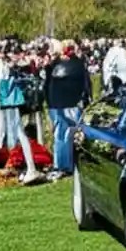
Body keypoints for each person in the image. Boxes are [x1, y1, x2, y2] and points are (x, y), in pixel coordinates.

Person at [44, 41, 90, 178]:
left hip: (60, 104)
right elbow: (86, 84)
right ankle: (70, 163)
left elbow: (47, 85)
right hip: (70, 103)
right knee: (72, 135)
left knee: (62, 135)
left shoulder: (55, 67)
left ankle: (63, 165)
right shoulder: (77, 65)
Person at [0, 49, 43, 184]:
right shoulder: (6, 66)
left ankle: (30, 168)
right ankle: (24, 167)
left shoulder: (6, 67)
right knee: (16, 137)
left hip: (10, 103)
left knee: (19, 135)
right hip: (8, 103)